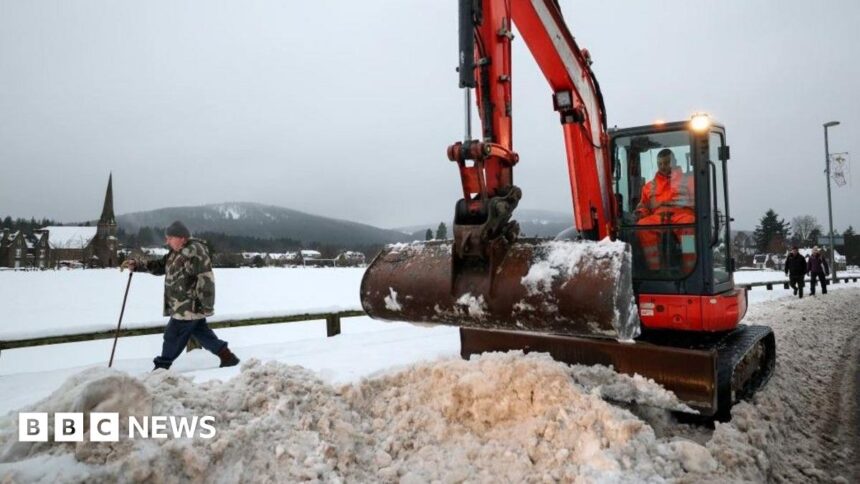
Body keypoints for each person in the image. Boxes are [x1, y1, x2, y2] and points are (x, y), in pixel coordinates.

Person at [121, 221, 240, 370]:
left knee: (172, 336)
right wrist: (137, 265)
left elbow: (206, 278)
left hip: (188, 305)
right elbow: (160, 265)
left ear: (182, 238)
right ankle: (228, 357)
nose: (167, 241)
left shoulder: (193, 252)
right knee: (202, 333)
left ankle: (161, 368)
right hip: (183, 304)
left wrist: (204, 304)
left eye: (170, 237)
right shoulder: (176, 252)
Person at [634, 149, 696, 272]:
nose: (663, 166)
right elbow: (644, 206)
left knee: (689, 225)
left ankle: (690, 269)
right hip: (659, 216)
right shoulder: (649, 186)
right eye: (660, 164)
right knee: (643, 225)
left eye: (667, 163)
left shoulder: (690, 181)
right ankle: (655, 270)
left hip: (682, 215)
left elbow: (698, 202)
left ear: (674, 162)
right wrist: (641, 212)